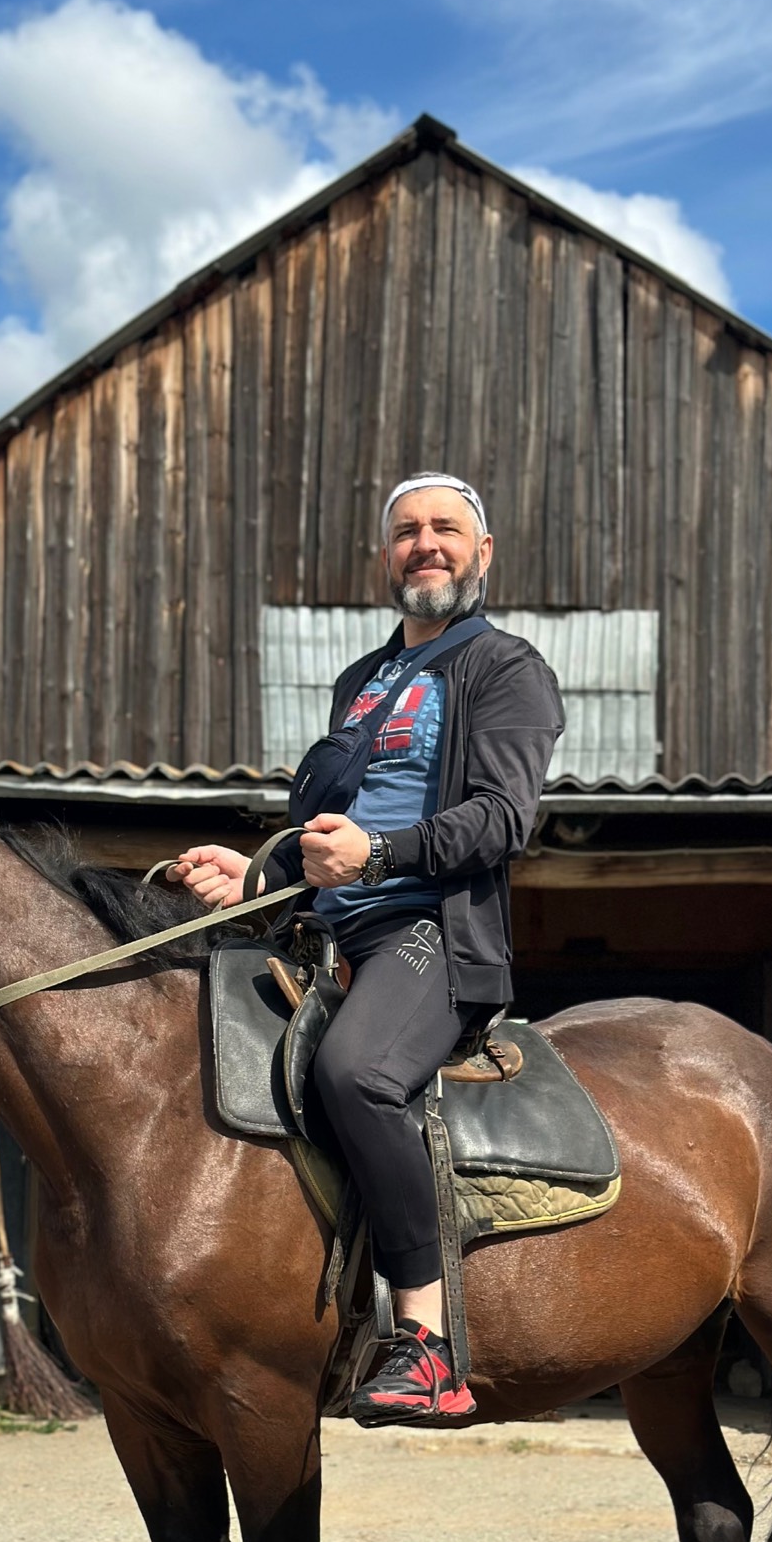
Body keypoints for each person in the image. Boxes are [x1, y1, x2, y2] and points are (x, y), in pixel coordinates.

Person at [171, 474, 564, 1422]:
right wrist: (257, 877)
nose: (425, 545)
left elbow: (505, 820)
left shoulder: (504, 669)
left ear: (483, 552)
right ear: (387, 557)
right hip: (328, 933)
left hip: (429, 932)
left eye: (445, 530)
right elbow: (323, 839)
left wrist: (381, 853)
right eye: (406, 533)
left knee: (356, 1075)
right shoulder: (362, 683)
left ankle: (427, 1345)